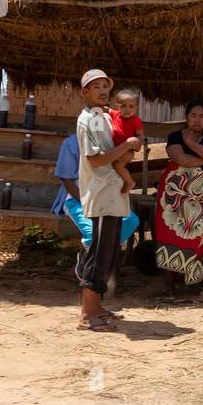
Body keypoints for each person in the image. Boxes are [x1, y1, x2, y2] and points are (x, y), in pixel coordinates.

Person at [75, 69, 141, 332]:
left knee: (110, 250)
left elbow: (113, 152)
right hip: (101, 192)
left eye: (105, 86)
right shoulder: (87, 121)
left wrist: (126, 150)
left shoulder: (103, 117)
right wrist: (127, 147)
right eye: (96, 87)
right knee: (100, 252)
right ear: (85, 93)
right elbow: (95, 159)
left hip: (112, 192)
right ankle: (86, 315)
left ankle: (96, 308)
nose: (102, 90)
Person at [154, 100, 203, 294]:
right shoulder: (174, 136)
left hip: (199, 194)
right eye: (193, 116)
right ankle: (169, 287)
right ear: (186, 118)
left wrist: (190, 143)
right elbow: (180, 159)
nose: (197, 120)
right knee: (168, 232)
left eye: (202, 116)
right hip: (173, 192)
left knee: (197, 234)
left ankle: (199, 282)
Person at [52, 132, 140, 248]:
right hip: (78, 200)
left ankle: (102, 254)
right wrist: (86, 202)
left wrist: (128, 150)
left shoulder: (110, 143)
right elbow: (67, 179)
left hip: (108, 196)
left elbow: (128, 155)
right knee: (94, 232)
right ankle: (91, 254)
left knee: (130, 221)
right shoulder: (72, 143)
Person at [107, 87, 145, 195]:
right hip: (115, 150)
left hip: (127, 152)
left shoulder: (135, 121)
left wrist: (134, 145)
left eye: (131, 106)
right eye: (123, 106)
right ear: (117, 106)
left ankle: (129, 182)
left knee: (117, 166)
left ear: (136, 107)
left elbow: (141, 136)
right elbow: (105, 109)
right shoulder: (115, 114)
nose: (127, 109)